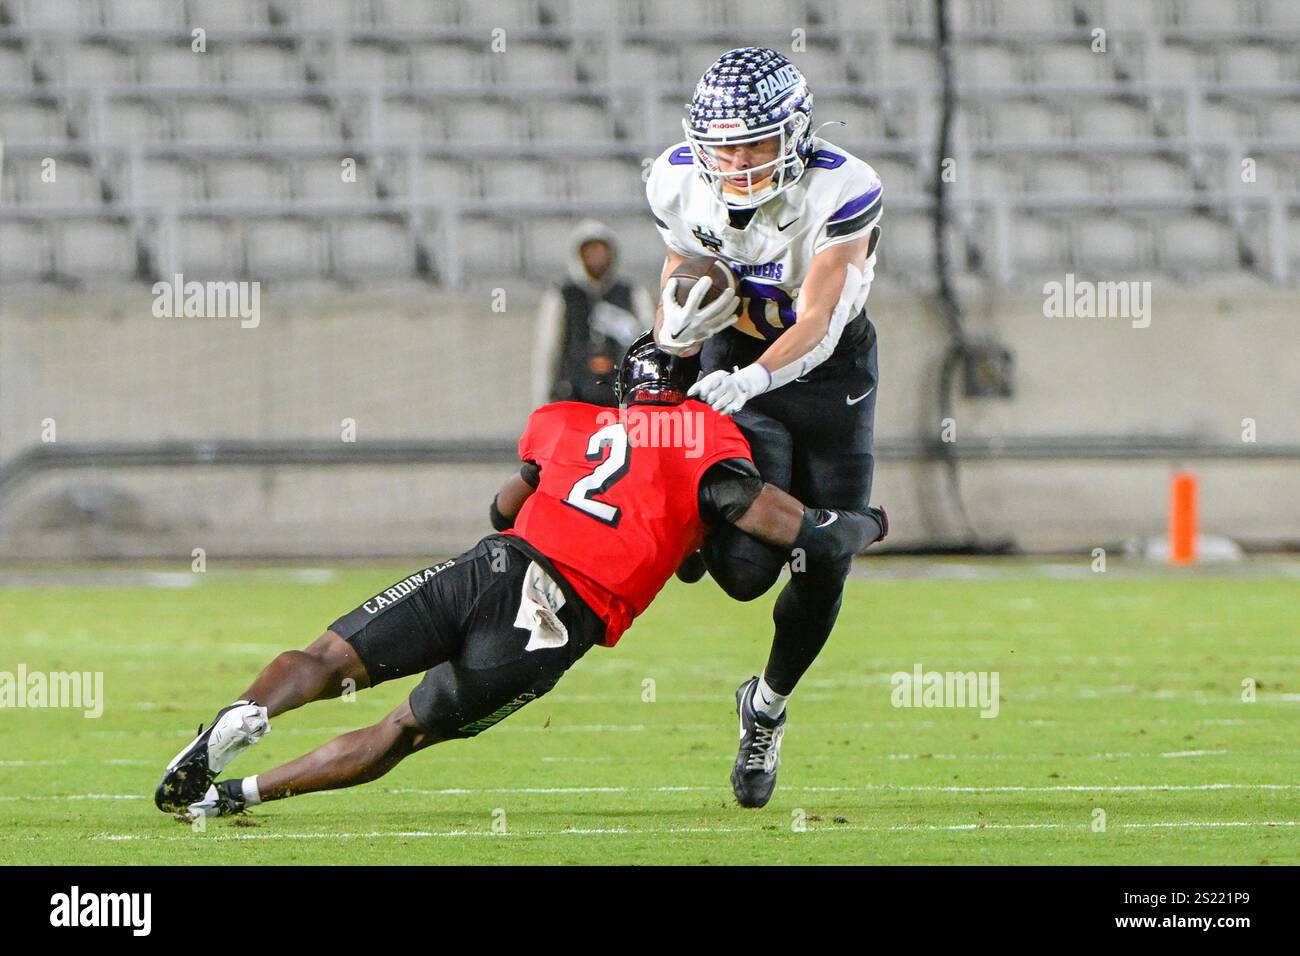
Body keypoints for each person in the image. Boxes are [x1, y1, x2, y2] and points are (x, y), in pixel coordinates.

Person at [154, 334, 887, 818]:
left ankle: (243, 717)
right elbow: (798, 532)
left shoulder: (568, 420)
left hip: (500, 566)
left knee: (324, 659)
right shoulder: (706, 435)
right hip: (557, 622)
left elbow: (504, 506)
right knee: (401, 729)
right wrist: (872, 523)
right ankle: (236, 797)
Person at [645, 47, 884, 807]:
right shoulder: (677, 178)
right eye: (724, 145)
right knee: (748, 573)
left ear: (794, 133)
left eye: (753, 143)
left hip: (829, 375)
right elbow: (681, 278)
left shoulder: (844, 188)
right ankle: (690, 526)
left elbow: (818, 318)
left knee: (827, 558)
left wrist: (750, 376)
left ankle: (767, 708)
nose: (737, 162)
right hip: (734, 367)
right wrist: (674, 347)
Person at [533, 219, 654, 408]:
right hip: (572, 394)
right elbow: (549, 348)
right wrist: (542, 401)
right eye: (589, 251)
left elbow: (647, 345)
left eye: (601, 251)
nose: (596, 257)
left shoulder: (632, 293)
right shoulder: (562, 294)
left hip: (619, 397)